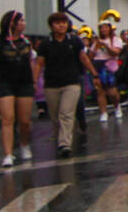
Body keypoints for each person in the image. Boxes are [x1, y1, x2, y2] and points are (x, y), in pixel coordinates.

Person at [35, 12, 99, 158]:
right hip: (51, 84)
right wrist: (34, 81)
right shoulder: (45, 43)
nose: (61, 25)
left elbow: (83, 58)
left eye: (64, 22)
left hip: (71, 82)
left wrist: (94, 74)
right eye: (57, 23)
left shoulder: (74, 40)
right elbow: (39, 64)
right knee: (55, 115)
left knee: (66, 113)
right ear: (51, 26)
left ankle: (65, 144)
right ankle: (60, 139)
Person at [0, 10, 37, 167]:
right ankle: (8, 154)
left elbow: (30, 63)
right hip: (4, 82)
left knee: (25, 121)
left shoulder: (26, 42)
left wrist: (33, 81)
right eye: (20, 21)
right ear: (12, 23)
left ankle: (24, 144)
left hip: (24, 83)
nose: (23, 24)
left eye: (24, 21)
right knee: (7, 119)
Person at [90, 20, 124, 122]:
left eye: (106, 27)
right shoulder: (96, 41)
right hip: (98, 65)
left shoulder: (116, 40)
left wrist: (106, 46)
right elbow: (90, 56)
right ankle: (103, 112)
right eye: (101, 27)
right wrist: (96, 46)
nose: (104, 29)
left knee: (112, 91)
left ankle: (117, 106)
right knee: (100, 90)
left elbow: (115, 52)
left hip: (109, 66)